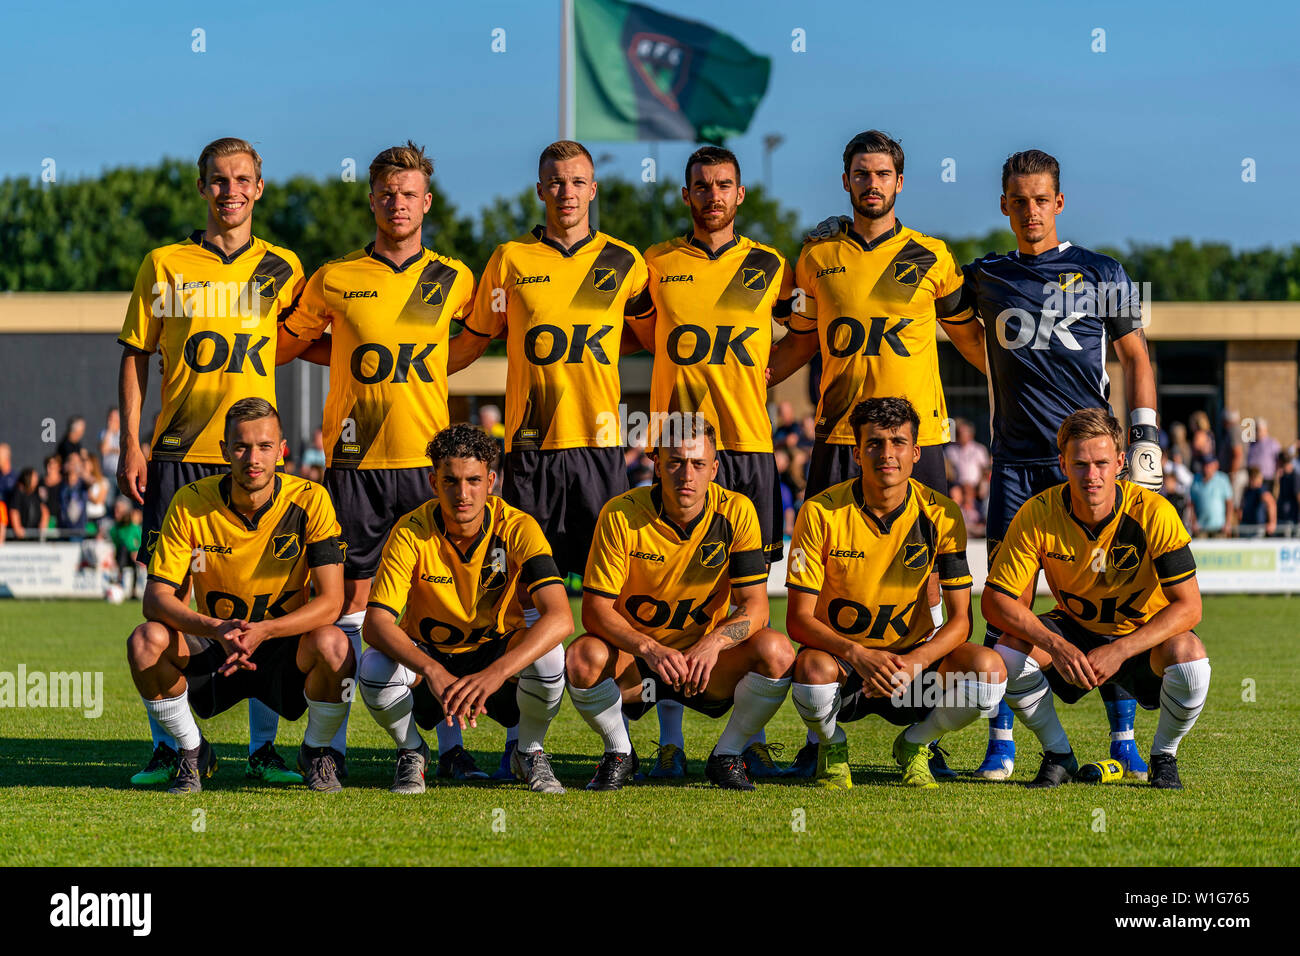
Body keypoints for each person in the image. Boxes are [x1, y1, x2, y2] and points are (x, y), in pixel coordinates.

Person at [768, 130, 978, 778]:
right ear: (845, 181)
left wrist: (1022, 383)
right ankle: (823, 723)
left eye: (883, 173)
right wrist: (740, 383)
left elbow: (973, 339)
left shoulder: (934, 256)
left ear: (900, 183)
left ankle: (922, 722)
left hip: (925, 442)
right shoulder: (816, 256)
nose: (872, 183)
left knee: (928, 582)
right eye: (861, 173)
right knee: (826, 581)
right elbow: (800, 341)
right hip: (838, 437)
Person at [948, 149, 1163, 781]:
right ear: (1004, 205)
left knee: (1112, 601)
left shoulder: (1101, 270)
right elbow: (935, 302)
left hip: (1091, 465)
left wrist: (1144, 445)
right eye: (1019, 200)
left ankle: (1123, 738)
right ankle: (1003, 740)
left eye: (1041, 199)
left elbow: (1137, 358)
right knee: (1007, 604)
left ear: (1059, 202)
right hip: (1017, 463)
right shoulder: (986, 275)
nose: (1031, 211)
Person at [448, 140, 651, 776]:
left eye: (578, 181)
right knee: (524, 601)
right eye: (555, 181)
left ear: (594, 190)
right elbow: (470, 341)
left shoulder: (626, 263)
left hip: (598, 455)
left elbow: (661, 339)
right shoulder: (510, 260)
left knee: (608, 600)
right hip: (530, 456)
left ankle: (628, 734)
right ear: (540, 190)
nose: (566, 192)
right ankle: (522, 737)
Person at [277, 142, 478, 779]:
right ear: (372, 200)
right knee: (349, 610)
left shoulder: (455, 277)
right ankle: (327, 748)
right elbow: (289, 342)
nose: (398, 204)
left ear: (427, 201)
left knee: (439, 611)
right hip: (355, 467)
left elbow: (468, 345)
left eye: (410, 194)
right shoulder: (334, 277)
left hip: (429, 470)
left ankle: (449, 752)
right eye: (387, 194)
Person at [117, 136, 308, 788]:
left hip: (254, 461)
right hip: (177, 456)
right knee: (163, 608)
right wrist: (130, 442)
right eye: (219, 181)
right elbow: (136, 353)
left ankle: (262, 749)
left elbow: (312, 340)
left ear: (259, 188)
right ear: (203, 188)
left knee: (259, 600)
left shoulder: (284, 267)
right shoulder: (165, 264)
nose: (231, 191)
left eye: (242, 180)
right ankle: (175, 746)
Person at [634, 145, 796, 780]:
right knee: (672, 580)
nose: (712, 196)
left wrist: (765, 376)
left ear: (741, 194)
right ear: (685, 195)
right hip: (678, 439)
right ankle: (669, 740)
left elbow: (807, 329)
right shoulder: (656, 264)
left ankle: (741, 738)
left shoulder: (770, 265)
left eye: (723, 185)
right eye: (700, 186)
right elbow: (640, 333)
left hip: (750, 445)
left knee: (746, 593)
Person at [125, 399, 354, 793]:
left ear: (281, 450)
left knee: (336, 644)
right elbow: (156, 598)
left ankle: (316, 753)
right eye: (242, 446)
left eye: (265, 446)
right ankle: (192, 751)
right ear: (224, 451)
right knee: (146, 640)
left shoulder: (311, 499)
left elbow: (332, 602)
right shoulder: (190, 502)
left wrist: (265, 631)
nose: (253, 458)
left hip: (281, 646)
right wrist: (216, 628)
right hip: (218, 644)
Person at [982, 408, 1210, 789]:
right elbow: (995, 602)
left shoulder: (1155, 512)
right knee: (1008, 651)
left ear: (1120, 462)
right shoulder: (1037, 513)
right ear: (1062, 463)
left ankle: (1164, 755)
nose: (1092, 476)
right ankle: (1058, 754)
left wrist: (1120, 650)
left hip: (1140, 638)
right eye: (1081, 464)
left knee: (1191, 658)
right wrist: (1056, 644)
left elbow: (1190, 607)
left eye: (1102, 463)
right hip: (1076, 632)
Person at [786, 397, 1004, 789]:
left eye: (898, 442)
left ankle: (916, 744)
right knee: (810, 669)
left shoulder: (943, 513)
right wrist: (858, 654)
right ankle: (831, 746)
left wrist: (913, 663)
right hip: (845, 663)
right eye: (874, 443)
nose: (887, 454)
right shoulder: (819, 512)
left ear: (916, 452)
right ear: (856, 452)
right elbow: (797, 619)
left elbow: (960, 622)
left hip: (911, 667)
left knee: (989, 670)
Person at [566, 416, 794, 791]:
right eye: (675, 462)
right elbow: (593, 611)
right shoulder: (620, 513)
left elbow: (756, 606)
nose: (686, 475)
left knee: (778, 651)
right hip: (639, 667)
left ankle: (728, 755)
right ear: (657, 463)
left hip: (705, 666)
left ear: (714, 469)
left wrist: (713, 644)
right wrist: (649, 648)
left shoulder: (736, 512)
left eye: (698, 464)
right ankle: (619, 753)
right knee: (582, 657)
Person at [358, 425, 572, 794]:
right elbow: (375, 624)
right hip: (430, 660)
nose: (463, 494)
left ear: (491, 480)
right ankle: (412, 752)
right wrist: (432, 670)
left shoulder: (518, 527)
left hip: (495, 658)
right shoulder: (410, 531)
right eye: (451, 481)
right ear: (433, 482)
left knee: (550, 657)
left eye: (474, 480)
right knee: (374, 666)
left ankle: (529, 751)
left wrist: (495, 673)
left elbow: (561, 617)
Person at [1189, 457, 1235, 536]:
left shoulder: (1223, 479)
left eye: (1209, 465)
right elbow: (1192, 504)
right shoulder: (1196, 479)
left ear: (1215, 466)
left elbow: (1229, 503)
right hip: (1201, 528)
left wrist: (1228, 523)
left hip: (1220, 527)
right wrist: (1193, 522)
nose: (1207, 468)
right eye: (1205, 465)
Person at [6, 468, 46, 538]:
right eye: (34, 477)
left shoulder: (35, 492)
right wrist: (18, 528)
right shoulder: (18, 492)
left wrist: (43, 525)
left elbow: (44, 510)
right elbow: (14, 511)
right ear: (28, 478)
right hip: (21, 537)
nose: (37, 479)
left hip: (35, 534)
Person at [1237, 467, 1275, 536]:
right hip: (1246, 525)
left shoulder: (1260, 489)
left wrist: (1272, 522)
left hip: (1256, 527)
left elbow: (1271, 503)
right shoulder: (1248, 490)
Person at [1276, 451, 1299, 529]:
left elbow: (1298, 497)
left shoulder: (1295, 477)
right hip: (1282, 516)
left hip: (1291, 518)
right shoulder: (1283, 477)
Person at [100, 408, 122, 480]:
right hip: (107, 474)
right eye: (110, 417)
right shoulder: (104, 432)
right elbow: (103, 450)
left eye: (113, 417)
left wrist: (110, 449)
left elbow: (123, 451)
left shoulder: (123, 433)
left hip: (121, 473)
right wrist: (109, 430)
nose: (111, 420)